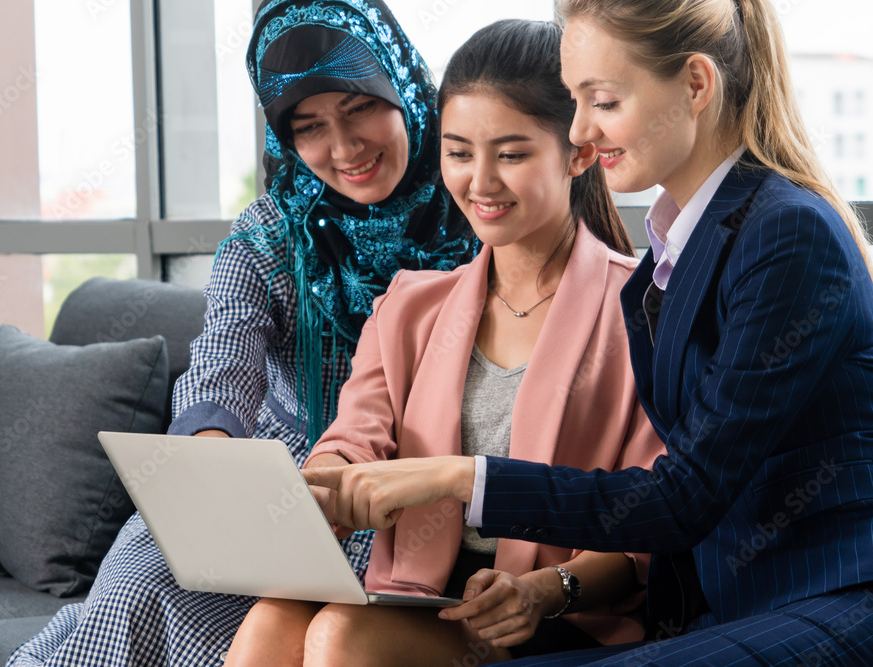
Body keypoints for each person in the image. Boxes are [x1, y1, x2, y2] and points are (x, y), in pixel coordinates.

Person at [303, 0, 873, 664]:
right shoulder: (682, 251)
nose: (580, 130)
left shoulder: (785, 234)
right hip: (731, 607)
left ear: (695, 85)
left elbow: (682, 494)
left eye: (601, 101)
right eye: (575, 101)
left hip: (830, 594)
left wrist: (463, 479)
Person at [5, 1, 475, 666]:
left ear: (396, 78)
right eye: (309, 127)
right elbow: (221, 362)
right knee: (139, 584)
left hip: (406, 502)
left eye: (358, 107)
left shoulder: (478, 208)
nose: (343, 149)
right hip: (271, 498)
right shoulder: (271, 235)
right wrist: (213, 465)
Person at [225, 20, 665, 667]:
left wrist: (545, 589)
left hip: (554, 612)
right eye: (459, 152)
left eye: (510, 154)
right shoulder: (411, 304)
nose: (480, 182)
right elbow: (354, 439)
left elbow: (648, 521)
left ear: (577, 153)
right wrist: (324, 487)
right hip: (419, 598)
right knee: (274, 617)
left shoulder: (644, 311)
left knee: (340, 635)